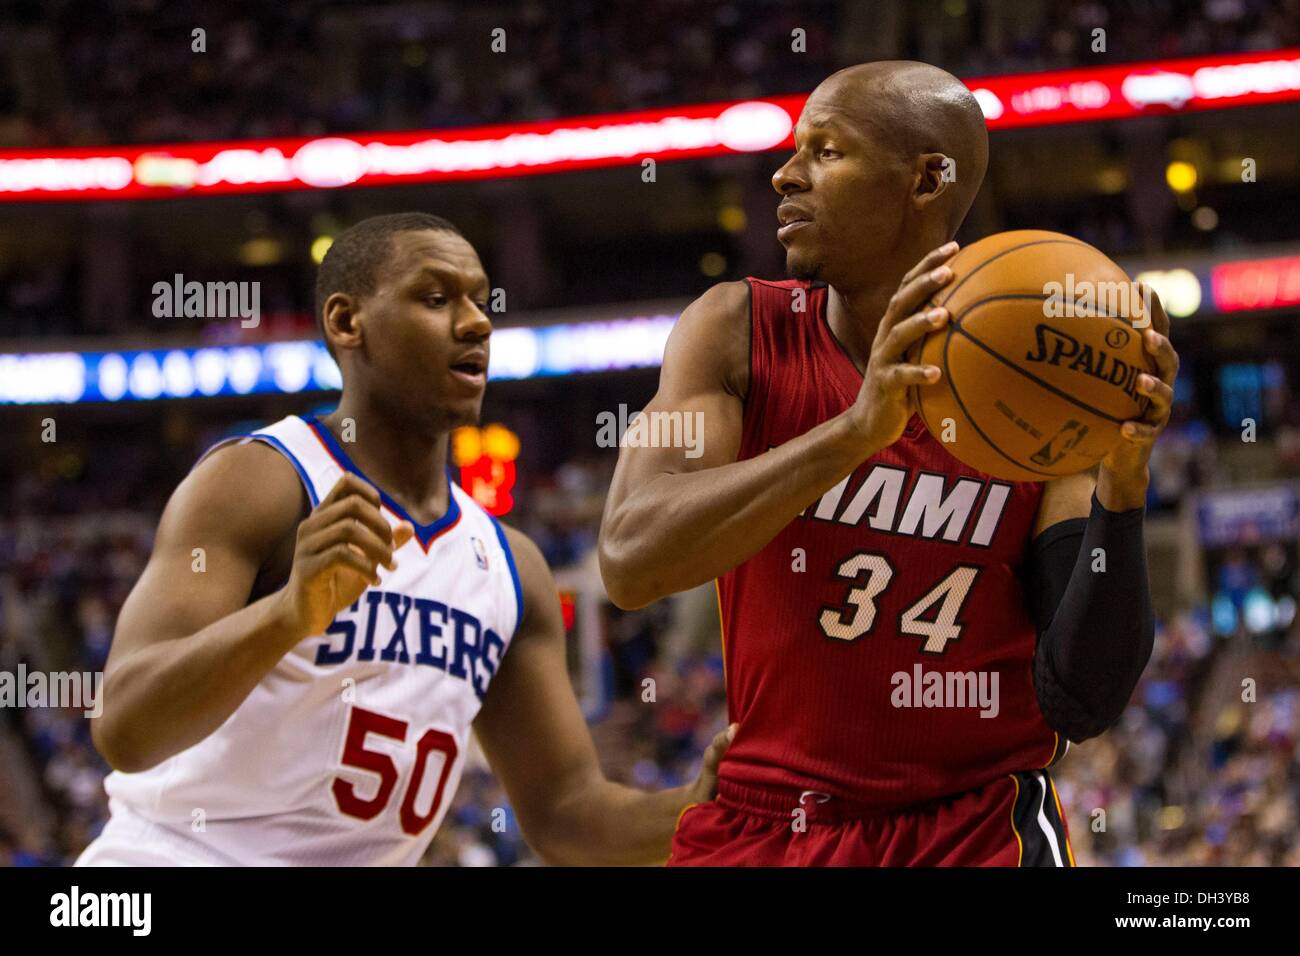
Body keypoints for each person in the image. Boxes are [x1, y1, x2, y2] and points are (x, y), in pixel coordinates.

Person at [599, 62, 1178, 866]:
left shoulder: (1040, 376)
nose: (785, 173)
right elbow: (630, 561)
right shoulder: (736, 330)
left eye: (827, 151)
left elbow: (1083, 697)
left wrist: (1121, 489)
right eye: (795, 149)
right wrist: (852, 433)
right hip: (767, 826)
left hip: (969, 830)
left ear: (928, 178)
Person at [80, 213, 731, 866]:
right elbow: (125, 728)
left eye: (480, 299)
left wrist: (707, 806)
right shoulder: (262, 480)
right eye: (436, 297)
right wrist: (285, 615)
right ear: (346, 323)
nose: (476, 321)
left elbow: (569, 817)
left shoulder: (510, 569)